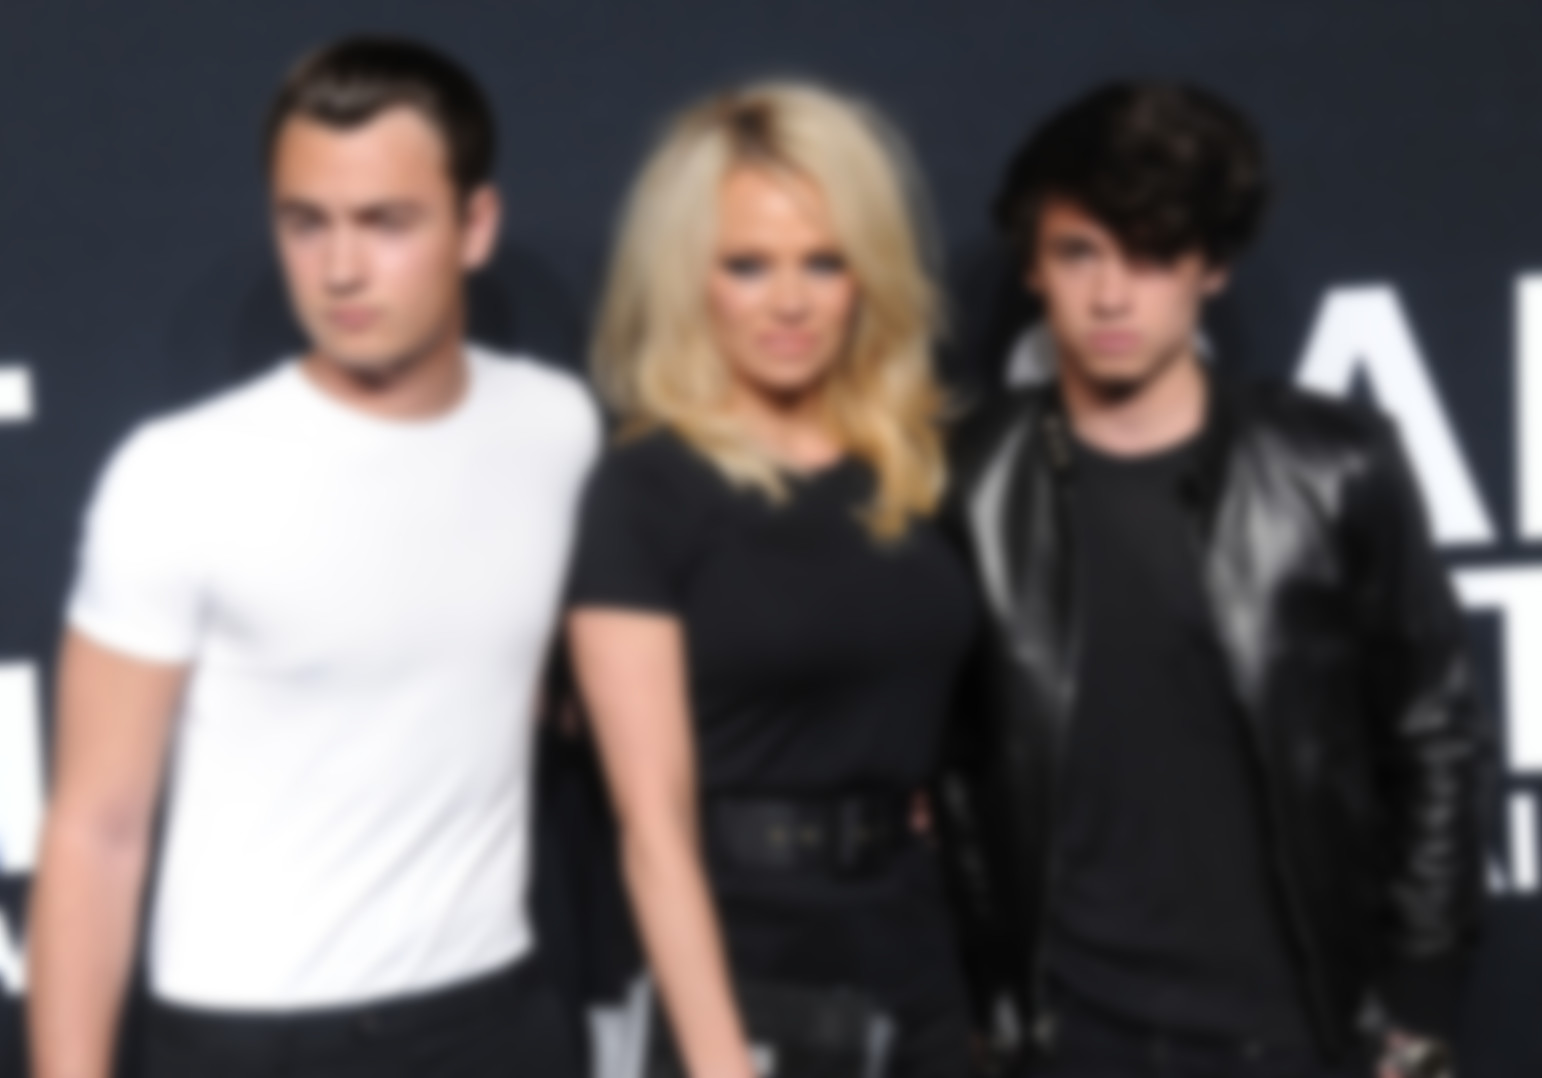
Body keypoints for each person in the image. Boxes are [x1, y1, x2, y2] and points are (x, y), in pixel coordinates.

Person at [28, 36, 596, 1078]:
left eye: (387, 222)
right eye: (306, 223)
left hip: (497, 1014)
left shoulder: (556, 427)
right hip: (252, 1035)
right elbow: (96, 830)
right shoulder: (179, 474)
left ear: (475, 226)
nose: (340, 270)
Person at [939, 81, 1489, 1078]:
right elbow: (943, 765)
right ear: (1033, 266)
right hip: (1064, 1035)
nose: (1112, 297)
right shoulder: (964, 482)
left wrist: (1417, 1007)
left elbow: (1433, 735)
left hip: (1296, 1028)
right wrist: (983, 1002)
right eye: (1080, 253)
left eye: (1152, 254)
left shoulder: (1336, 464)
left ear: (1213, 266)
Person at [565, 83, 979, 1078]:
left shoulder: (911, 467)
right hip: (739, 958)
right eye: (747, 265)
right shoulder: (646, 488)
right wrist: (719, 1061)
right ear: (689, 280)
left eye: (824, 262)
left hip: (912, 946)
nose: (790, 303)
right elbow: (653, 828)